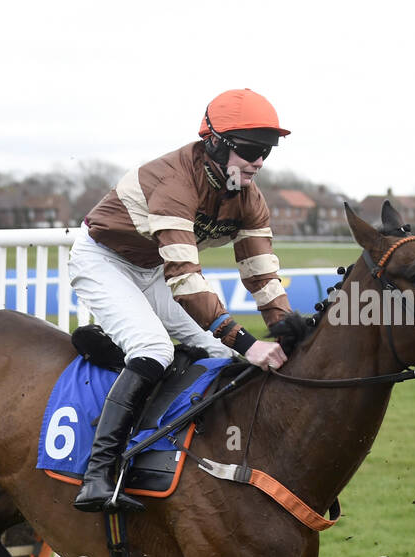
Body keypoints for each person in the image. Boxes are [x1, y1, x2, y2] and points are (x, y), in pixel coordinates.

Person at [68, 88, 294, 512]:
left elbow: (261, 275)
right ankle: (97, 475)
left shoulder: (250, 198)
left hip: (151, 269)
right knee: (154, 348)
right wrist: (248, 341)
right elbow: (186, 279)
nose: (258, 161)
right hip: (104, 261)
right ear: (214, 143)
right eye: (249, 149)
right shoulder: (175, 182)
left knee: (216, 353)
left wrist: (286, 331)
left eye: (266, 150)